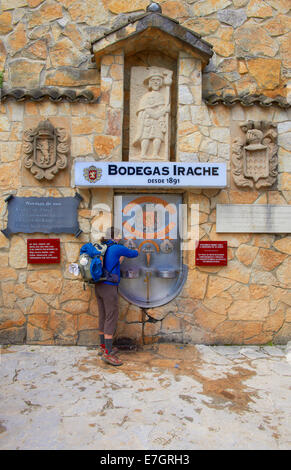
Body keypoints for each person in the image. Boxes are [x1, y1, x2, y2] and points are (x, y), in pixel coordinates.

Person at [95, 226, 138, 366]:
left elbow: (111, 263)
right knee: (111, 317)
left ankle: (103, 347)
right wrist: (135, 247)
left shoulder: (103, 247)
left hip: (99, 286)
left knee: (103, 315)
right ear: (116, 236)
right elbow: (134, 254)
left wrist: (120, 259)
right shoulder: (117, 247)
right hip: (109, 287)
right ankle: (107, 354)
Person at [133, 69, 170, 158]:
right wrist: (162, 112)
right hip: (147, 120)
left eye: (158, 80)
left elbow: (161, 107)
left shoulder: (161, 96)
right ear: (149, 83)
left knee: (158, 136)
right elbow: (145, 109)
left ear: (161, 82)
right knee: (145, 136)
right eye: (153, 80)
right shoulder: (146, 97)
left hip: (158, 121)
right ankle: (143, 154)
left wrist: (164, 111)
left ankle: (155, 154)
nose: (156, 82)